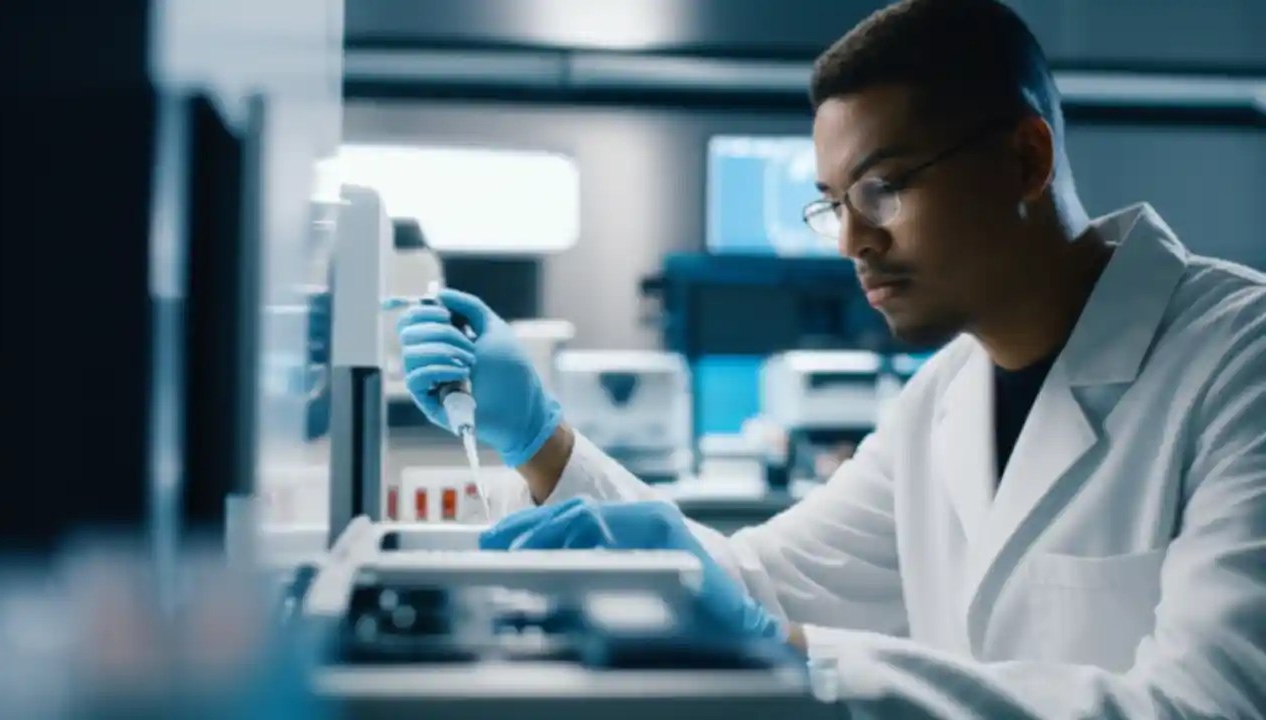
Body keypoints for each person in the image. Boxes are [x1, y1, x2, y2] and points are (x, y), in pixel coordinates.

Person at [396, 0, 1266, 715]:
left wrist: (789, 649)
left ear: (1025, 158)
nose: (851, 239)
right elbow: (763, 589)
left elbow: (1207, 704)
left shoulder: (1238, 363)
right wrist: (540, 440)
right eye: (834, 203)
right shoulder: (944, 400)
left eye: (883, 188)